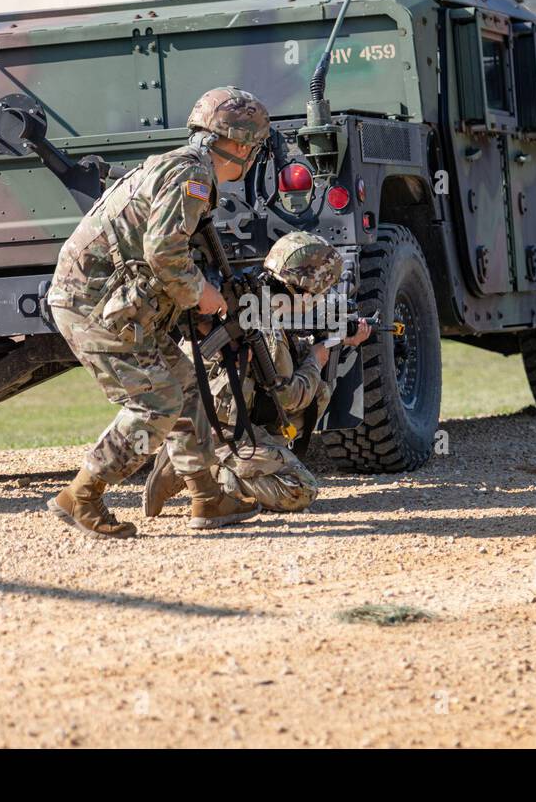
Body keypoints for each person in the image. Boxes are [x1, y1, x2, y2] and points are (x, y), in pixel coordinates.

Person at [46, 86, 271, 538]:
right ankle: (82, 496)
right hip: (93, 306)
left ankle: (207, 495)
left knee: (185, 386)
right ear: (242, 146)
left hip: (109, 303)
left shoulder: (177, 166)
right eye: (253, 150)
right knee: (156, 402)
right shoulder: (192, 176)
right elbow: (164, 251)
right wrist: (199, 294)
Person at [142, 231, 371, 516]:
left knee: (316, 394)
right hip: (215, 424)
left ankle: (195, 455)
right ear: (305, 289)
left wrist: (337, 339)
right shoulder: (266, 326)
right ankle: (199, 469)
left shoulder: (255, 300)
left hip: (196, 411)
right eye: (319, 293)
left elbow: (274, 367)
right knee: (300, 489)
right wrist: (316, 358)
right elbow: (290, 398)